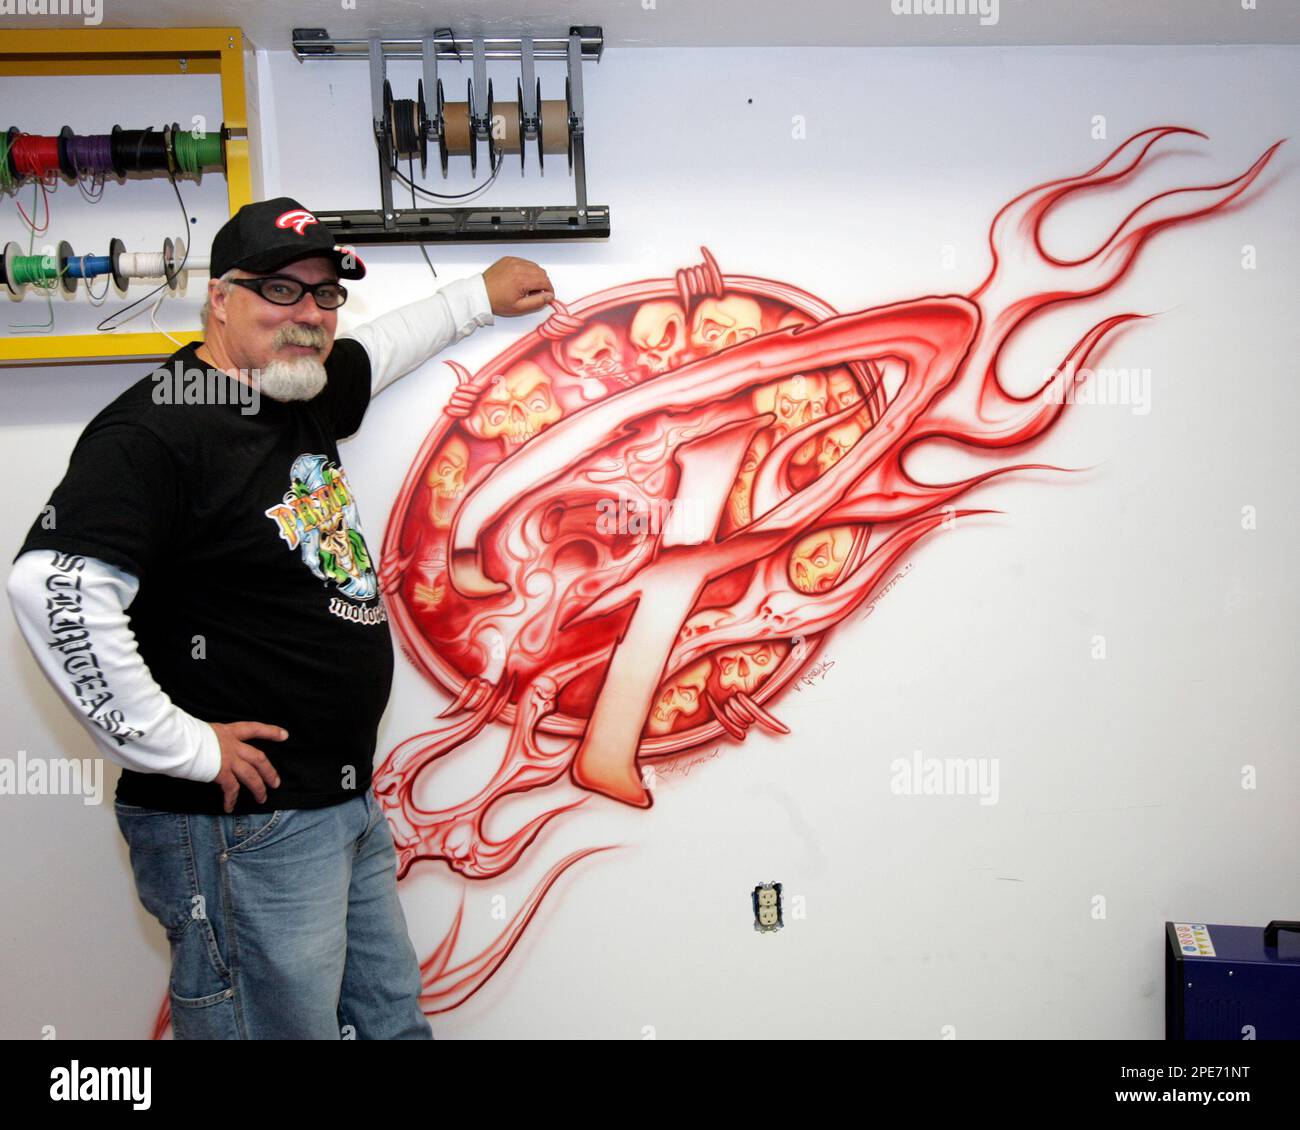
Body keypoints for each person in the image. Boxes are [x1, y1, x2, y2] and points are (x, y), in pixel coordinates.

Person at [6, 196, 554, 1039]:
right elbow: (54, 586)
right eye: (279, 292)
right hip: (239, 829)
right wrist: (181, 744)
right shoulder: (157, 429)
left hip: (337, 805)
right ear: (218, 298)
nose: (308, 317)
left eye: (325, 295)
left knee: (389, 1022)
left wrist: (476, 296)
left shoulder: (292, 388)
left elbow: (379, 352)